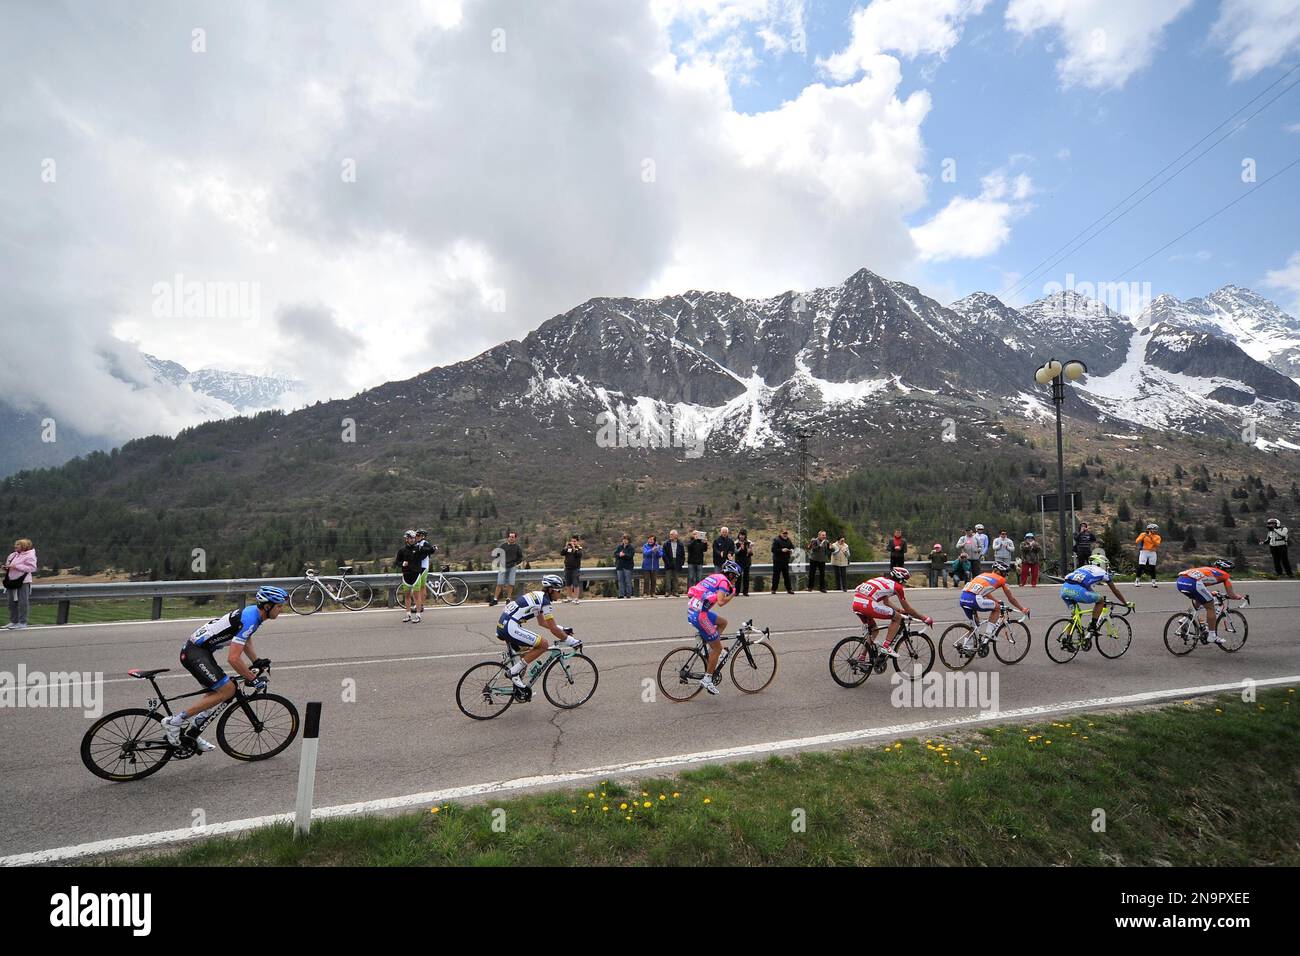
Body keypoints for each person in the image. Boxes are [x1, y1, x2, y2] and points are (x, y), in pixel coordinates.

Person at [160, 585, 288, 749]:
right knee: (227, 690)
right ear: (267, 606)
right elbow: (233, 659)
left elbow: (244, 639)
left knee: (214, 695)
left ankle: (192, 733)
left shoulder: (253, 614)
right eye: (279, 606)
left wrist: (256, 661)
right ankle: (174, 722)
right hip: (195, 653)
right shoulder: (251, 619)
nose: (281, 610)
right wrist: (254, 679)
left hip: (199, 651)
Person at [496, 574, 580, 699]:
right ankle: (513, 673)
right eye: (558, 591)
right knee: (543, 644)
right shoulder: (545, 602)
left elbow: (542, 623)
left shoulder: (539, 597)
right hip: (510, 627)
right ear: (551, 590)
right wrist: (571, 641)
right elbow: (552, 629)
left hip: (505, 625)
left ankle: (518, 687)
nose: (560, 594)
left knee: (527, 654)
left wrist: (563, 629)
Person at [851, 567, 932, 662]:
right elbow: (908, 609)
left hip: (856, 603)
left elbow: (886, 602)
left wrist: (899, 610)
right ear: (900, 579)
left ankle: (861, 657)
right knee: (897, 617)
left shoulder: (883, 580)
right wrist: (924, 618)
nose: (904, 584)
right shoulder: (897, 586)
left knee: (874, 630)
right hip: (867, 604)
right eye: (905, 581)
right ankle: (886, 646)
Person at [686, 560, 741, 695]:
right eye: (736, 577)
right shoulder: (723, 582)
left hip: (694, 609)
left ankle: (707, 644)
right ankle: (707, 679)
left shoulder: (715, 577)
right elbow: (721, 602)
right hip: (700, 615)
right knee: (718, 648)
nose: (736, 580)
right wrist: (732, 595)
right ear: (731, 575)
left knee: (723, 622)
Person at [958, 560, 1030, 651]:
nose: (1005, 575)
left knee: (975, 625)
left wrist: (996, 601)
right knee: (997, 609)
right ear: (998, 571)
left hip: (963, 598)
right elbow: (1011, 598)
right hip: (974, 599)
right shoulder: (1001, 579)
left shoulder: (983, 575)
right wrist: (1022, 608)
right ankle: (988, 635)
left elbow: (986, 592)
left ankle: (966, 647)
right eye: (1004, 572)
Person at [1175, 560, 1247, 647]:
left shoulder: (1208, 570)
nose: (1229, 573)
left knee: (1199, 599)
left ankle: (1184, 619)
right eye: (1229, 570)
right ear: (1225, 569)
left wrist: (1212, 593)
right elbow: (1231, 595)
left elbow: (1201, 586)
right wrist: (1239, 597)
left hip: (1180, 581)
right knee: (1210, 605)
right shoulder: (1224, 575)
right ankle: (1212, 636)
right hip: (1193, 584)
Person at [1060, 553, 1132, 636]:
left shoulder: (1083, 567)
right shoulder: (1103, 573)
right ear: (1100, 564)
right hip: (1078, 590)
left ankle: (1068, 639)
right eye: (1105, 565)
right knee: (1100, 600)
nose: (1106, 567)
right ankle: (1093, 626)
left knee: (1075, 616)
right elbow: (1115, 590)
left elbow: (1085, 586)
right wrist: (1125, 603)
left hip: (1064, 589)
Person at [3, 538, 38, 630]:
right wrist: (6, 567)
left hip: (23, 581)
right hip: (11, 581)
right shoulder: (12, 555)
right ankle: (13, 621)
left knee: (23, 602)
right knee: (11, 602)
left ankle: (23, 622)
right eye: (16, 544)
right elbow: (9, 565)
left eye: (18, 544)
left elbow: (32, 568)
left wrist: (16, 566)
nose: (15, 546)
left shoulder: (30, 555)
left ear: (24, 546)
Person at [396, 530, 426, 622]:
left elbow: (428, 552)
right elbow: (397, 562)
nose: (412, 540)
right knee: (407, 596)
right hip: (406, 575)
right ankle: (408, 614)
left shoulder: (418, 549)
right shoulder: (402, 550)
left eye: (413, 538)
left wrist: (432, 549)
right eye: (410, 538)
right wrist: (402, 563)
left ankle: (418, 615)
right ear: (406, 539)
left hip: (416, 575)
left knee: (416, 596)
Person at [489, 531, 524, 607]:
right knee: (499, 583)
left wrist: (515, 563)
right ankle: (495, 599)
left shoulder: (517, 547)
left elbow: (520, 558)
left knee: (511, 583)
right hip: (503, 566)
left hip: (512, 567)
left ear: (515, 538)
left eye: (513, 537)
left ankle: (508, 599)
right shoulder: (503, 546)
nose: (511, 538)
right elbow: (497, 554)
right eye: (510, 537)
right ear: (508, 538)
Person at [414, 529, 437, 616]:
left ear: (423, 536)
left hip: (423, 567)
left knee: (421, 587)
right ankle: (419, 605)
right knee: (419, 587)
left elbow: (430, 551)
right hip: (419, 567)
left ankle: (421, 605)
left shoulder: (425, 543)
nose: (416, 537)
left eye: (418, 535)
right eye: (416, 535)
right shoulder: (417, 544)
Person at [770, 529, 795, 594]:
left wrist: (792, 549)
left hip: (786, 560)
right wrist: (781, 550)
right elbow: (773, 550)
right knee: (776, 576)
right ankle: (773, 589)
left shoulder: (788, 540)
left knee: (786, 575)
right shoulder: (776, 540)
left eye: (786, 533)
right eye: (784, 533)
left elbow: (792, 546)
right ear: (780, 533)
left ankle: (789, 589)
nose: (785, 534)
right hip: (777, 561)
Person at [662, 530, 686, 597]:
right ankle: (667, 592)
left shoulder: (680, 544)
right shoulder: (666, 543)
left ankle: (675, 592)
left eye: (672, 534)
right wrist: (667, 562)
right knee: (668, 578)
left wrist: (681, 563)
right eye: (670, 534)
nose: (670, 535)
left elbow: (683, 555)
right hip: (668, 562)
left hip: (677, 562)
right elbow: (664, 554)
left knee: (676, 578)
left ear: (676, 535)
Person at [561, 535, 584, 603]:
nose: (572, 542)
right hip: (568, 568)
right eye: (572, 541)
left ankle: (576, 598)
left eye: (574, 541)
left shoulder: (579, 548)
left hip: (575, 569)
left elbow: (578, 555)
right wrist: (565, 547)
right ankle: (569, 597)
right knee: (568, 584)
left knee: (575, 584)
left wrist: (574, 548)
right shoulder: (568, 548)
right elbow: (562, 553)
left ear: (577, 542)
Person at [614, 534, 636, 598]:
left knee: (628, 581)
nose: (625, 541)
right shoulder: (619, 547)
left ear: (629, 540)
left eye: (626, 539)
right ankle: (621, 594)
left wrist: (624, 555)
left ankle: (628, 594)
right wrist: (619, 555)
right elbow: (615, 554)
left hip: (628, 567)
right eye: (624, 539)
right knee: (620, 581)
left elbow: (630, 556)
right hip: (619, 566)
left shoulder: (631, 547)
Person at [733, 530, 754, 595]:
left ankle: (745, 592)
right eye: (740, 535)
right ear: (738, 535)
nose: (741, 536)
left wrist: (750, 550)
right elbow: (735, 552)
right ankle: (737, 591)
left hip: (747, 561)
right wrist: (740, 548)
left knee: (746, 577)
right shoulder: (736, 543)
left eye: (743, 535)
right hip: (738, 562)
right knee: (738, 577)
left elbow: (751, 553)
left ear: (745, 536)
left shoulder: (748, 542)